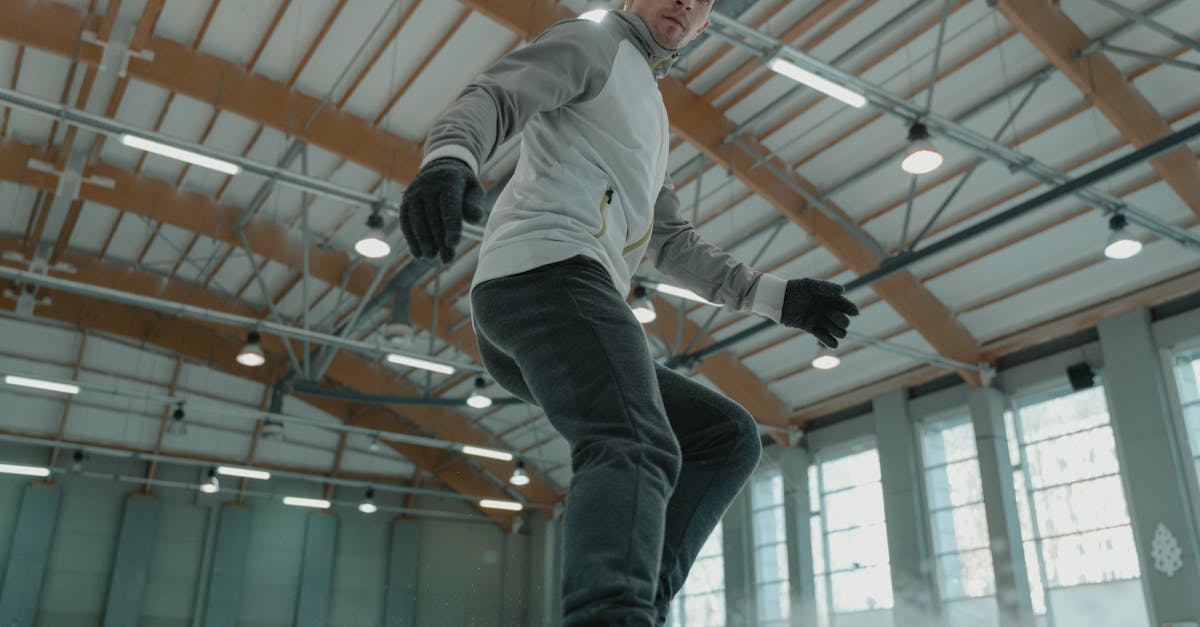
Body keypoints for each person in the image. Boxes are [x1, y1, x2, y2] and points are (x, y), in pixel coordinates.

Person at [399, 1, 859, 624]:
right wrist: (450, 158)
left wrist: (780, 298)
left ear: (705, 26)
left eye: (702, 1)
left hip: (545, 306)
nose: (684, 2)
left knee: (723, 438)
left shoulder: (647, 108)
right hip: (549, 274)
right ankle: (609, 613)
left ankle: (640, 605)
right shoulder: (595, 43)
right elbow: (499, 94)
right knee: (634, 438)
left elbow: (671, 241)